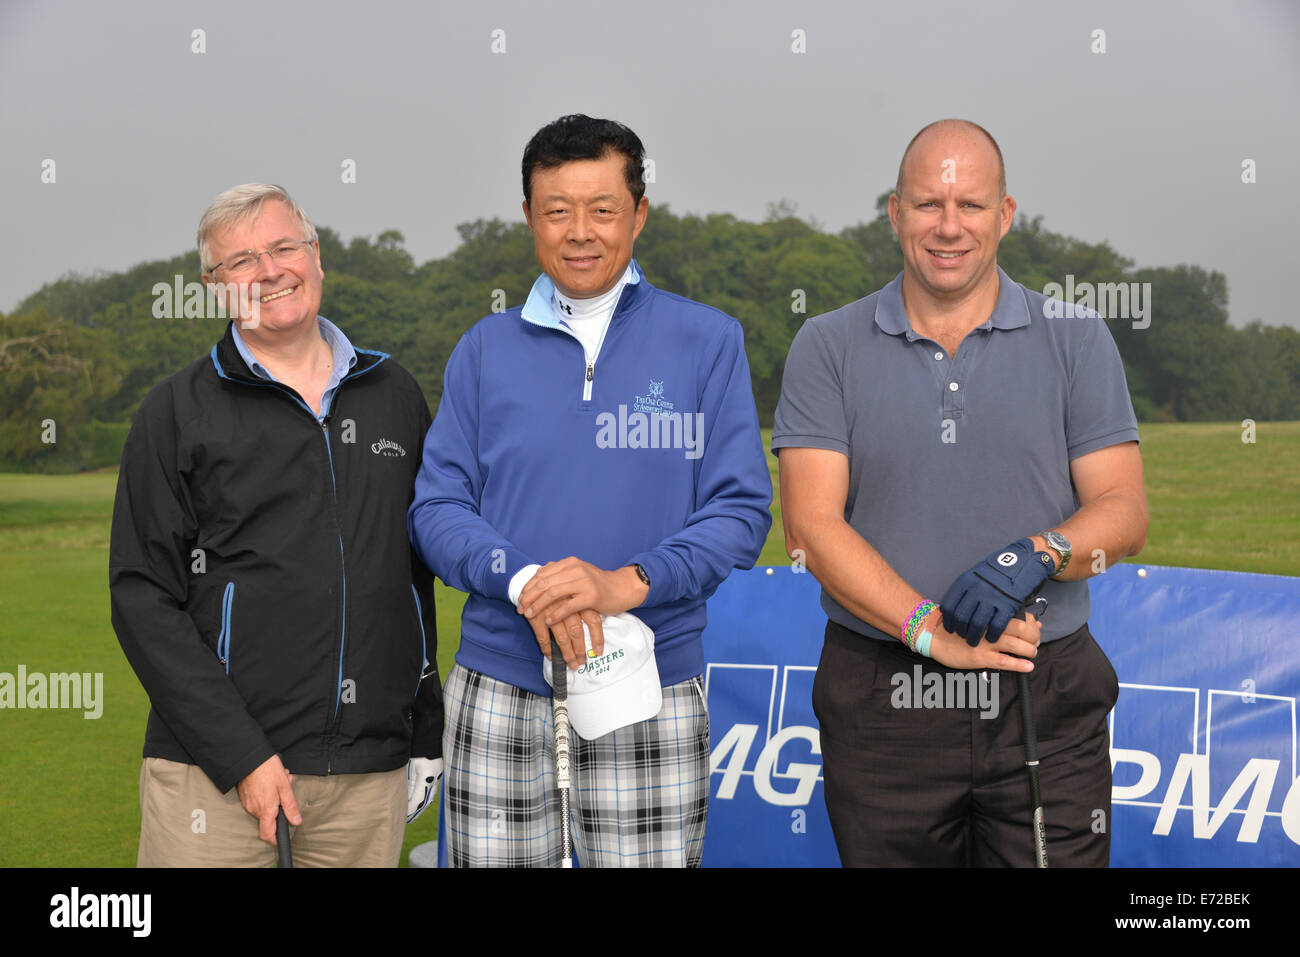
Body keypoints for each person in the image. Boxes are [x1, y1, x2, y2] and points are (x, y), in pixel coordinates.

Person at [773, 119, 1148, 867]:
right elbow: (811, 526)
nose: (949, 227)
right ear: (895, 213)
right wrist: (927, 629)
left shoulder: (1075, 336)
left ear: (1005, 215)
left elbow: (1124, 512)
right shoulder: (827, 344)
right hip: (883, 697)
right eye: (928, 204)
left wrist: (1041, 553)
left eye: (971, 206)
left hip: (1041, 687)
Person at [408, 114, 772, 868]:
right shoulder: (484, 349)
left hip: (650, 684)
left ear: (639, 214)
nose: (580, 232)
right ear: (529, 217)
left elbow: (739, 510)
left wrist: (623, 583)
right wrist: (528, 580)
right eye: (557, 210)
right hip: (500, 686)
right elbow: (437, 509)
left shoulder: (708, 340)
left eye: (602, 209)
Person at [110, 183, 443, 867]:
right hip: (213, 777)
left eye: (284, 246)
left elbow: (410, 576)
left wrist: (424, 729)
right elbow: (142, 598)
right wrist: (243, 753)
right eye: (240, 261)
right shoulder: (175, 411)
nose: (269, 271)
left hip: (364, 778)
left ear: (316, 256)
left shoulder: (395, 394)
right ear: (213, 286)